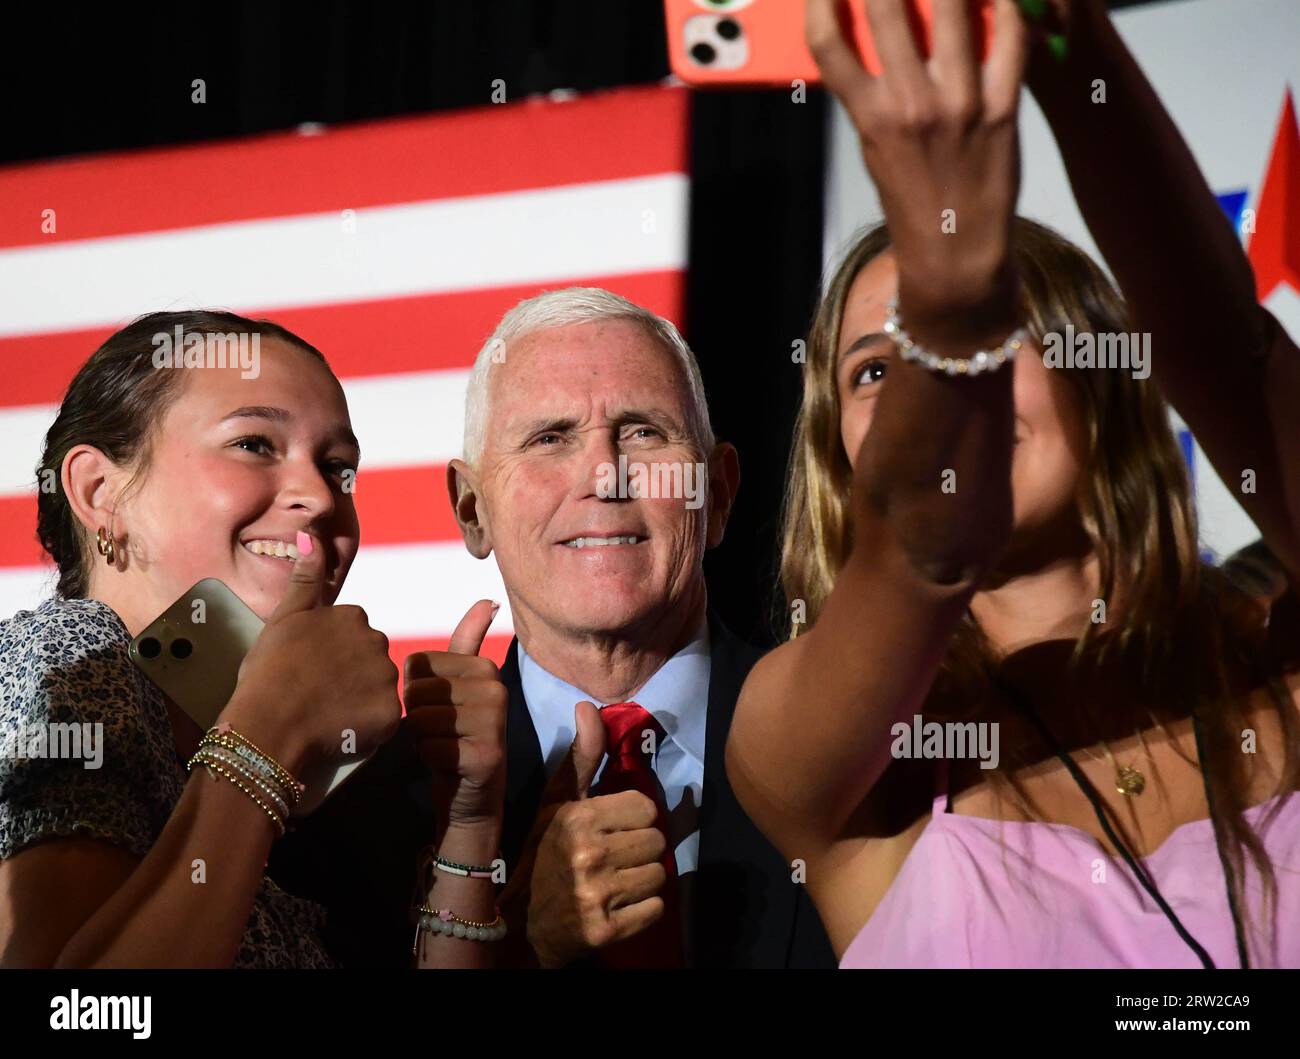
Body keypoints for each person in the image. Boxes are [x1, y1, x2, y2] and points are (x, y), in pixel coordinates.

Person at [727, 0, 1300, 968]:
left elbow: (1228, 358)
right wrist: (951, 307)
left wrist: (1067, 37)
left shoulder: (1279, 641)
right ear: (843, 463)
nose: (933, 387)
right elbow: (923, 545)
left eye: (1005, 331)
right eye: (875, 369)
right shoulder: (826, 754)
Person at [302, 287, 834, 967]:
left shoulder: (853, 749)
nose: (604, 474)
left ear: (720, 494)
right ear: (472, 511)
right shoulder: (373, 814)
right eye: (549, 438)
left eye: (643, 431)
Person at [0, 310, 505, 968]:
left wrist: (466, 826)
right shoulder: (67, 651)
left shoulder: (302, 785)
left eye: (337, 466)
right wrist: (268, 733)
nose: (320, 496)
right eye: (254, 444)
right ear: (100, 492)